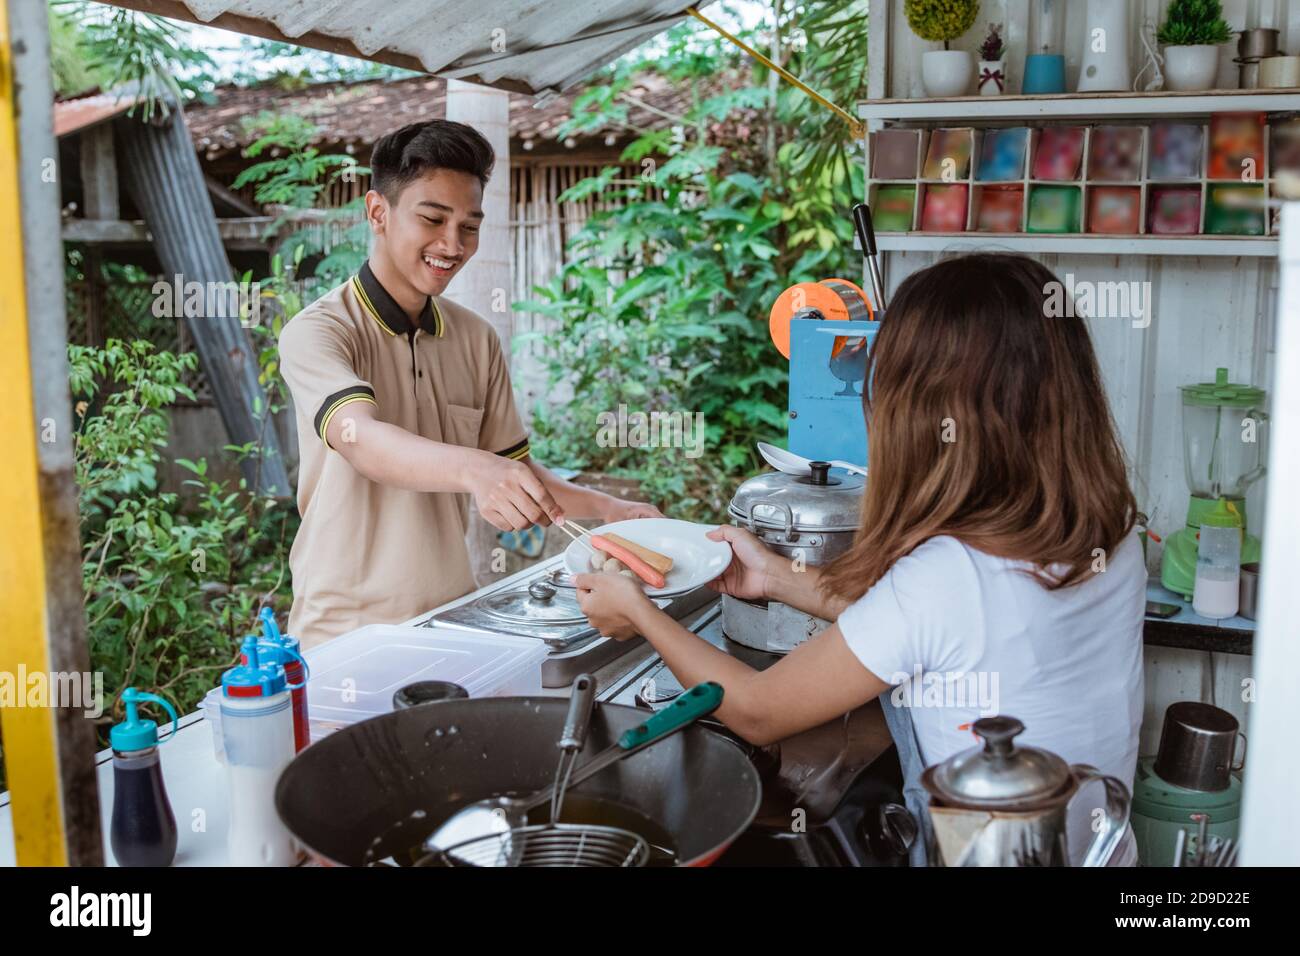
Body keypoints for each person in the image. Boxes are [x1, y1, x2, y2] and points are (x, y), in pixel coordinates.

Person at [575, 253, 1144, 866]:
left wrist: (641, 616)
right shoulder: (1107, 530)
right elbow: (947, 633)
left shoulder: (949, 574)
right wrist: (774, 577)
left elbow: (758, 711)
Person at [278, 120, 658, 648]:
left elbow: (514, 471)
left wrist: (609, 510)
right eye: (432, 219)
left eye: (470, 227)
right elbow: (359, 440)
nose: (452, 244)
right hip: (344, 635)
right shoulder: (321, 331)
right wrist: (477, 469)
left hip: (450, 620)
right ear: (377, 213)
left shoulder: (475, 338)